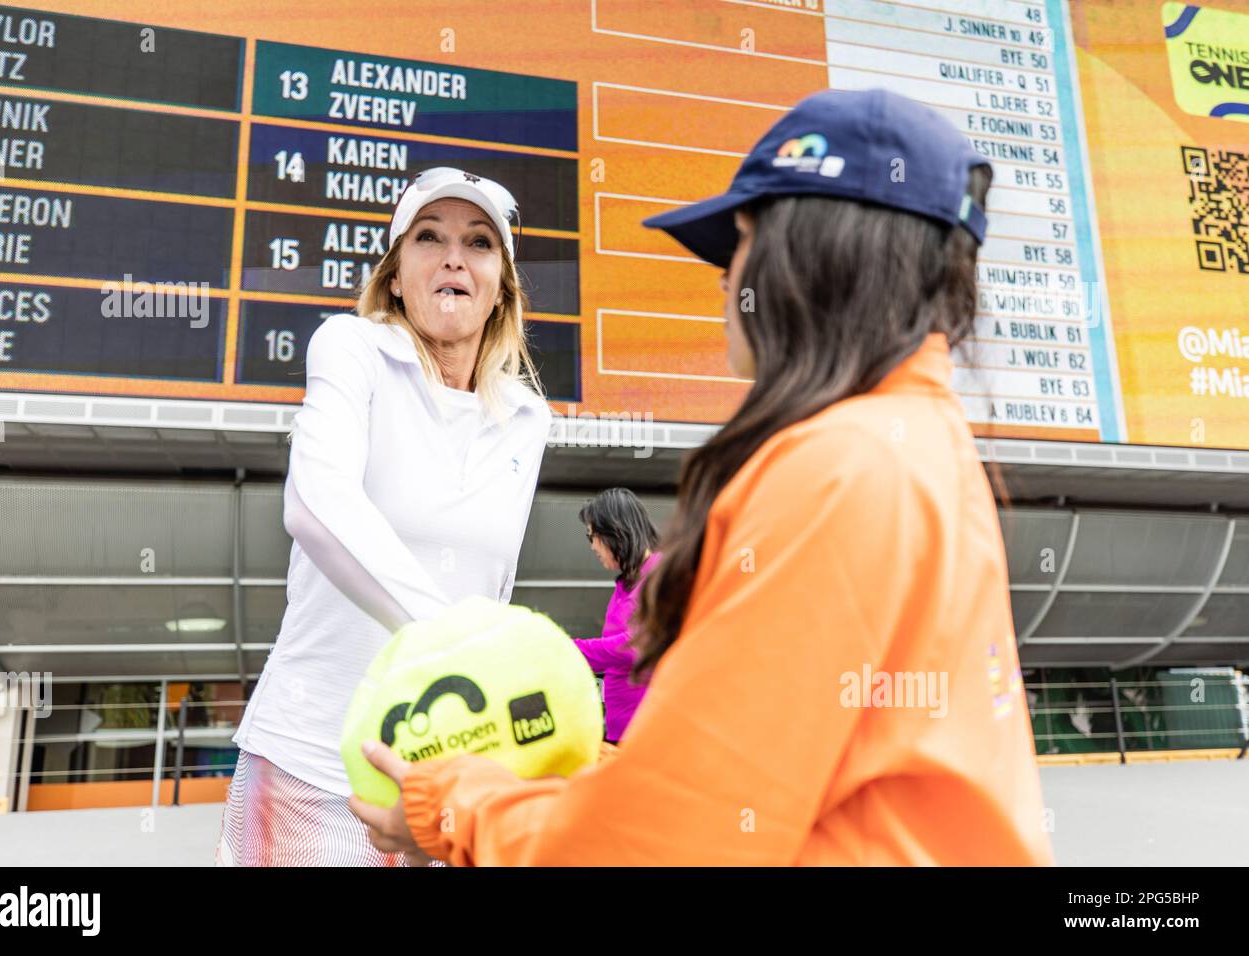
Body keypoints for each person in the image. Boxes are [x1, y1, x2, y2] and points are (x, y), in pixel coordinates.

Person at [349, 90, 1055, 865]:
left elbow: (679, 838)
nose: (727, 282)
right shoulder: (922, 446)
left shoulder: (837, 470)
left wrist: (453, 804)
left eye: (741, 244)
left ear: (812, 253)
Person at [217, 168, 552, 866]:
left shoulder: (527, 416)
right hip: (312, 769)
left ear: (501, 288)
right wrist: (461, 647)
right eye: (429, 237)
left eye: (479, 242)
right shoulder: (351, 347)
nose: (454, 256)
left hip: (439, 779)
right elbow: (316, 503)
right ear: (396, 277)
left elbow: (493, 592)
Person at [574, 488, 661, 744]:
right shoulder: (625, 584)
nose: (592, 546)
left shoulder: (659, 573)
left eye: (593, 536)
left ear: (616, 531)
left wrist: (569, 651)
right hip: (619, 730)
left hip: (646, 732)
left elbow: (639, 645)